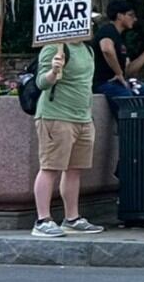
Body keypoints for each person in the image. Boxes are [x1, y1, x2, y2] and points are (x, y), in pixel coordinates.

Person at [30, 36, 101, 237]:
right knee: (50, 167)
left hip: (83, 118)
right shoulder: (54, 47)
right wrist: (54, 71)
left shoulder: (88, 50)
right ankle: (42, 219)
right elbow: (41, 82)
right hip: (56, 116)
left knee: (74, 169)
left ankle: (72, 218)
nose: (90, 25)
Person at [92, 0, 144, 101]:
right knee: (126, 98)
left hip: (119, 82)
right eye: (131, 15)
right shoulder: (108, 30)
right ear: (119, 16)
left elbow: (128, 71)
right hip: (104, 82)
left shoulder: (121, 38)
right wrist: (118, 73)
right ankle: (128, 117)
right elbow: (106, 49)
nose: (134, 19)